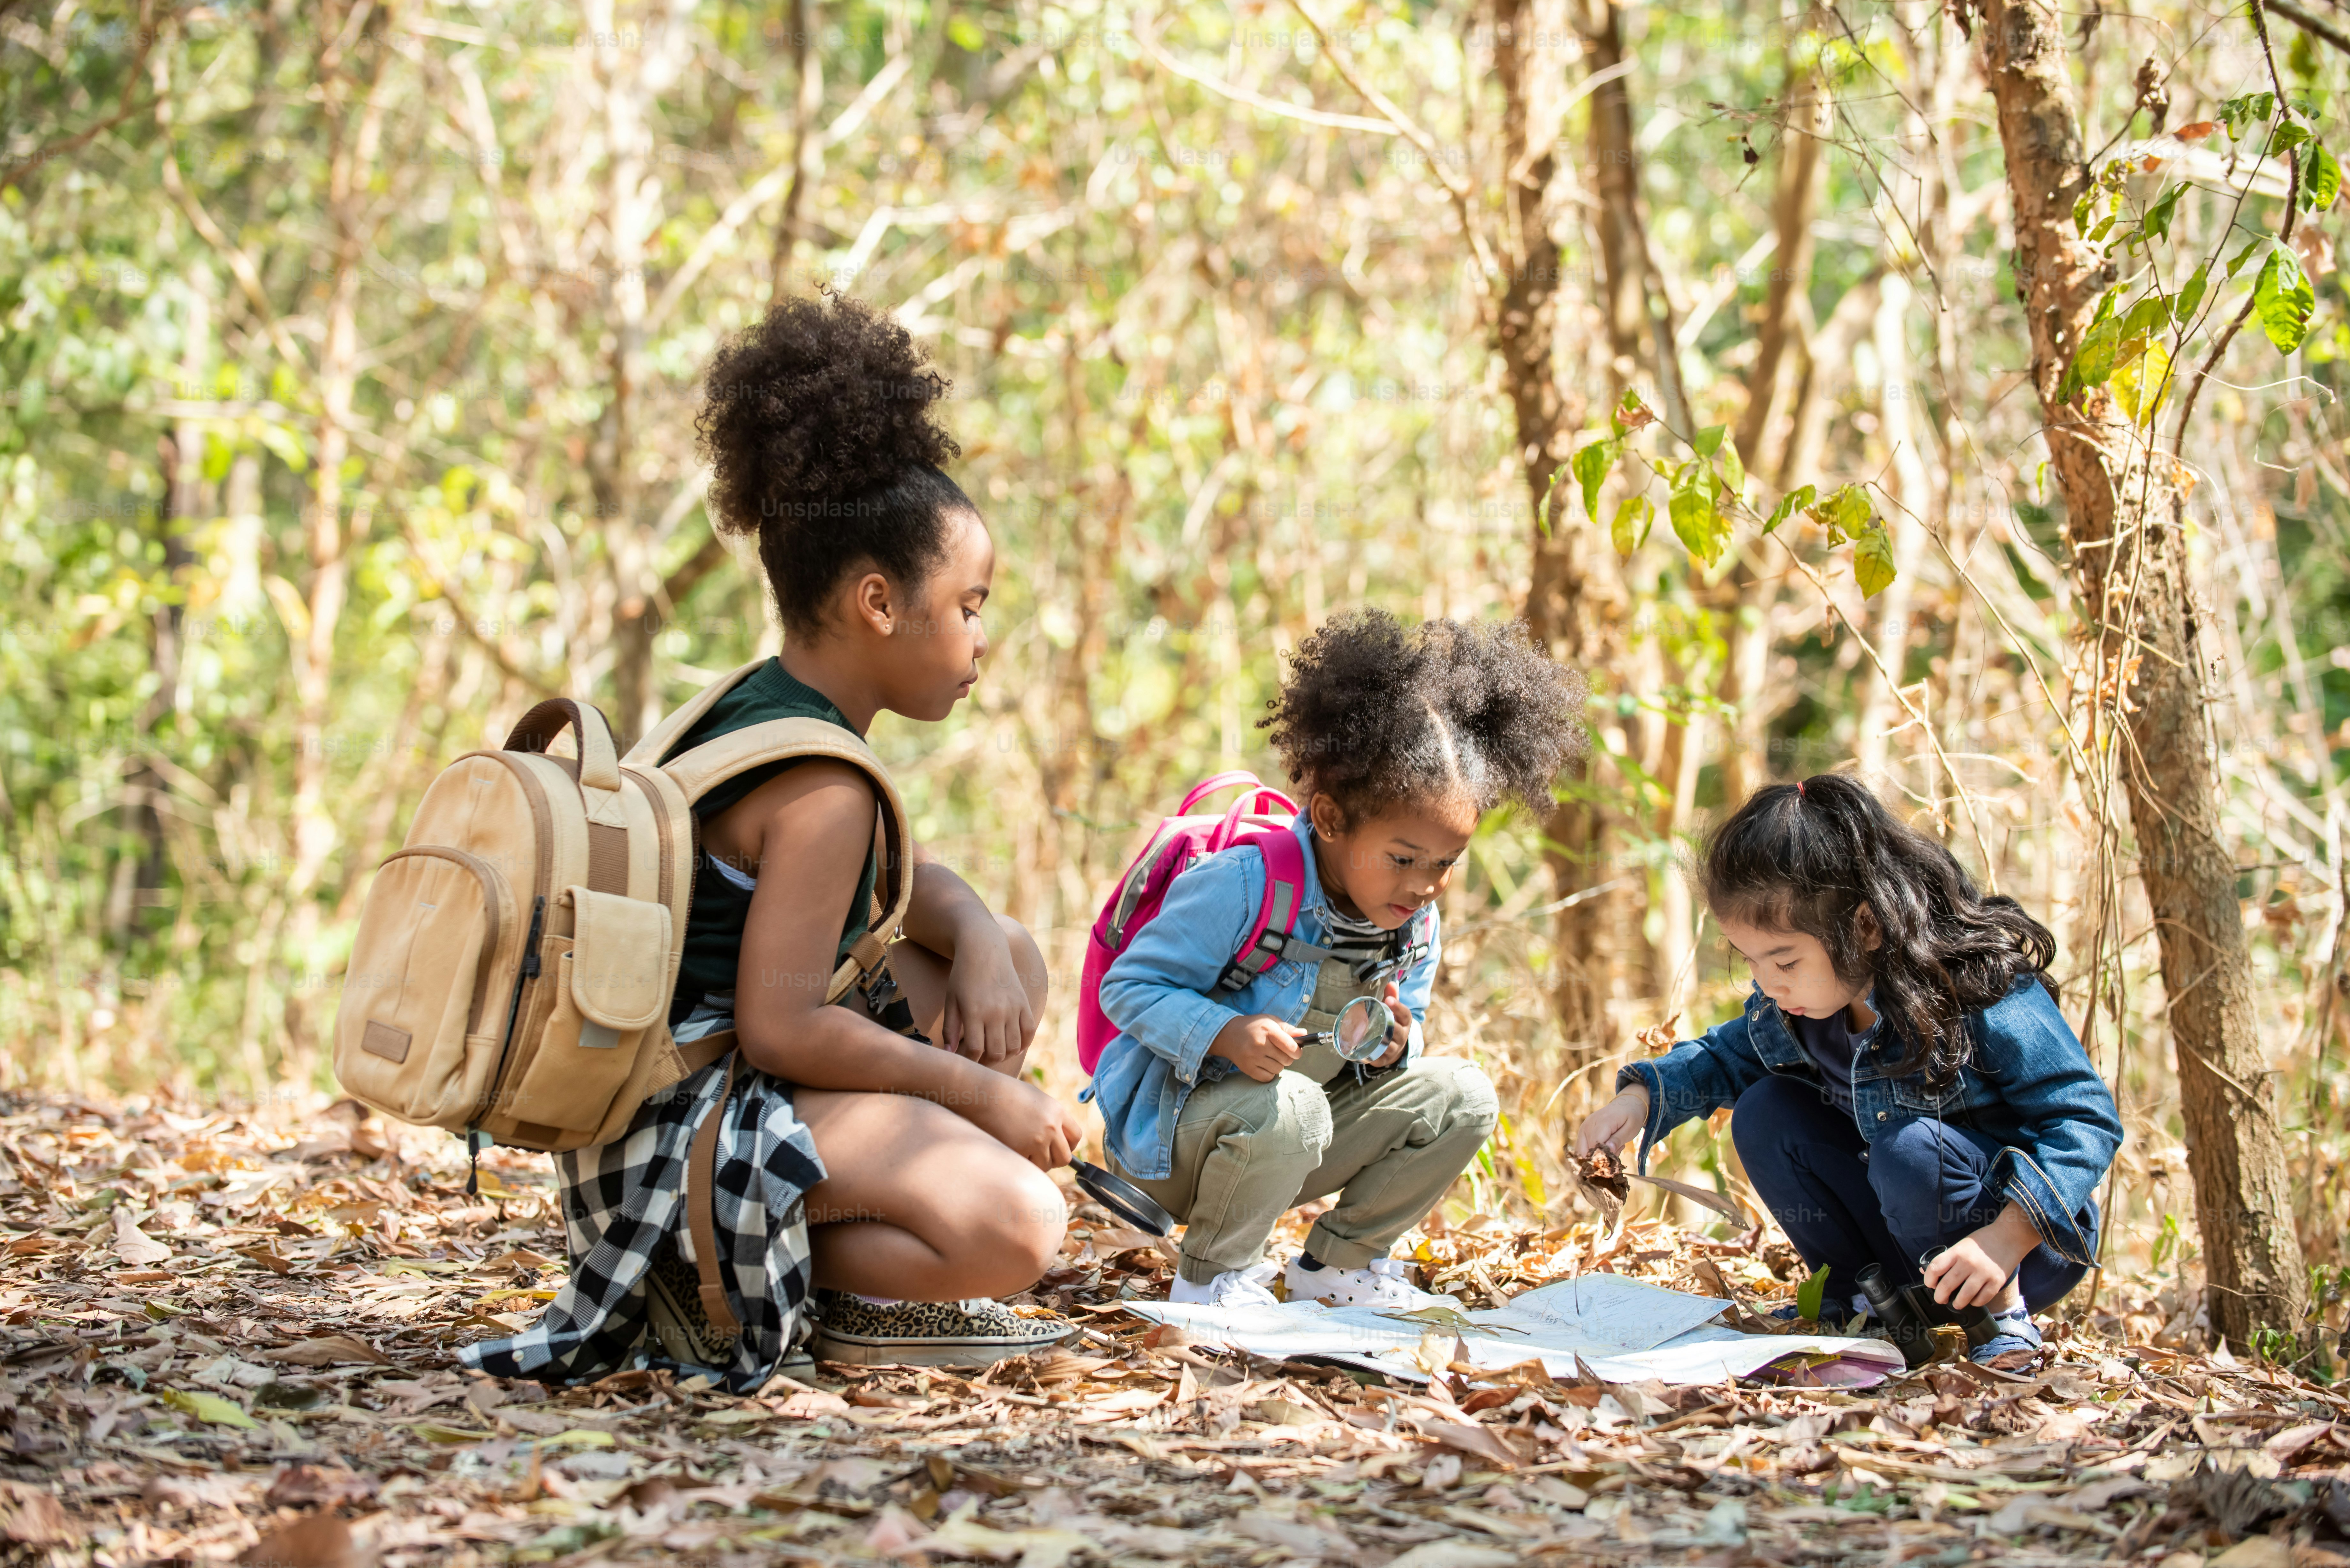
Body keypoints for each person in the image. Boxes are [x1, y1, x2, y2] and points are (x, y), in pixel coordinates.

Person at [467, 288, 1079, 1383]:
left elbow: (890, 893)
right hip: (676, 1149)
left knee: (1013, 958)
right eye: (971, 603)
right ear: (881, 604)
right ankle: (737, 1287)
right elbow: (784, 1025)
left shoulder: (756, 701)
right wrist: (983, 1093)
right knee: (1022, 1229)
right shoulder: (824, 783)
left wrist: (981, 934)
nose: (983, 636)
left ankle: (827, 1246)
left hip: (674, 1104)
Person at [1089, 612, 1579, 1309]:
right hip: (1173, 1145)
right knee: (1290, 1104)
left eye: (1446, 863)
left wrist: (1393, 1048)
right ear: (1328, 818)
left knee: (1463, 1095)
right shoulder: (1243, 885)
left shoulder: (1414, 922)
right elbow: (1129, 986)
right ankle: (1210, 1280)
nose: (1424, 884)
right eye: (1402, 859)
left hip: (1293, 1136)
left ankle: (1339, 1266)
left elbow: (1398, 1039)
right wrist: (1225, 1033)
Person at [1574, 774, 2122, 1365]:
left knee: (1911, 1149)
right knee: (1766, 1111)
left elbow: (2085, 1118)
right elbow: (1721, 1058)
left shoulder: (1975, 987)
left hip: (2018, 1250)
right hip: (1912, 1244)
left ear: (1865, 925)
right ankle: (1857, 1304)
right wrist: (1638, 1100)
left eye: (1785, 960)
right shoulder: (1799, 1010)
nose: (1768, 983)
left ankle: (2001, 1322)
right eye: (1752, 962)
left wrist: (2006, 1238)